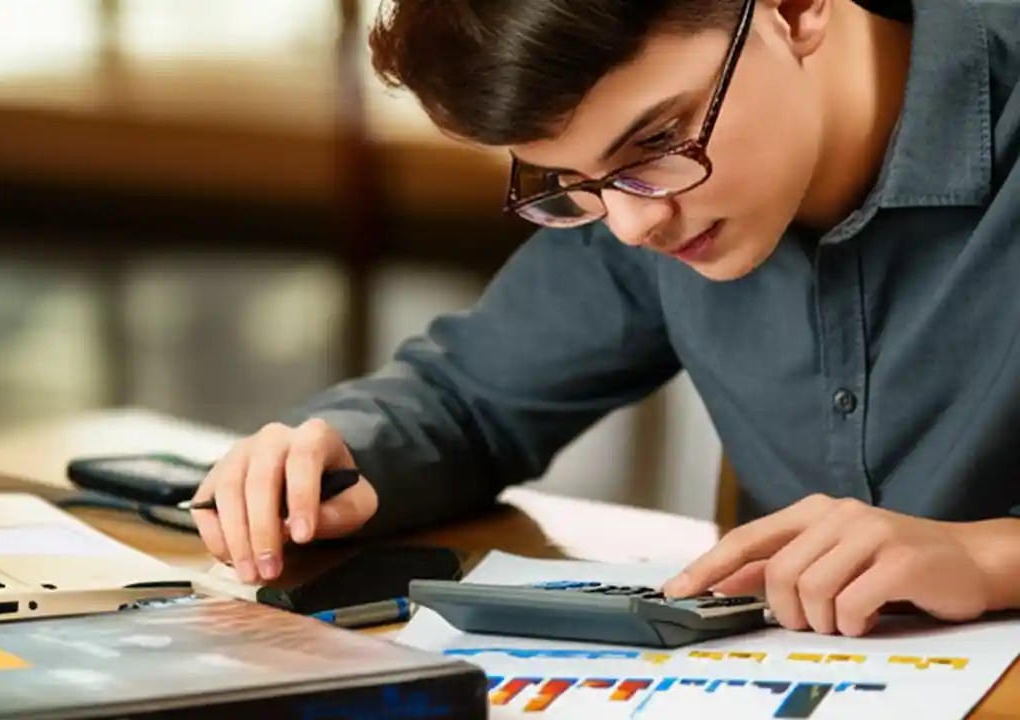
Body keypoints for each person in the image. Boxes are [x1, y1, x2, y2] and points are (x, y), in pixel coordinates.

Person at [188, 0, 1020, 637]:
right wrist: (330, 458)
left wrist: (987, 560)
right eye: (566, 180)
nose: (631, 226)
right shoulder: (643, 196)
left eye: (656, 140)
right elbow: (470, 398)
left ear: (797, 9)